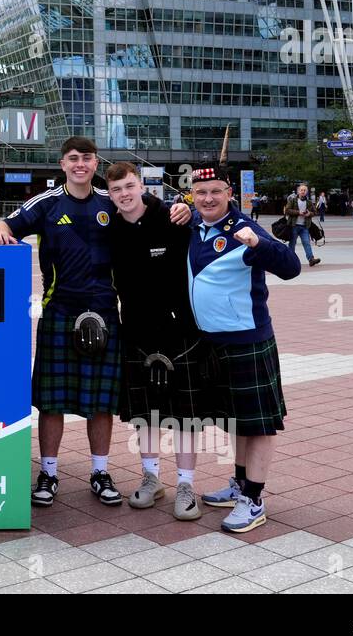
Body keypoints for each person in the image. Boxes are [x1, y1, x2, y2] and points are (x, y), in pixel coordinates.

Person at [0, 137, 189, 508]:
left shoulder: (108, 202)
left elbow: (149, 210)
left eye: (86, 158)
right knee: (52, 402)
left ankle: (100, 471)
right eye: (72, 158)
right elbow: (7, 223)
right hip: (59, 312)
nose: (80, 164)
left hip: (105, 313)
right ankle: (48, 473)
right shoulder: (46, 204)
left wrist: (183, 211)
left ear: (95, 163)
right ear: (63, 164)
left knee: (101, 401)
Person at [187, 166, 301, 533]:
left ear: (229, 192)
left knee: (260, 422)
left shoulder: (243, 229)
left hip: (247, 339)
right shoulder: (193, 224)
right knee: (236, 419)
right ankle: (239, 484)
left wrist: (258, 243)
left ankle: (254, 499)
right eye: (200, 192)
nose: (207, 199)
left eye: (215, 192)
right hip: (210, 340)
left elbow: (291, 268)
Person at [105, 162, 205, 520]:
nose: (124, 194)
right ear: (111, 194)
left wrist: (189, 209)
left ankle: (186, 484)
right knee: (145, 415)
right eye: (116, 190)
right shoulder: (112, 227)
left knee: (184, 414)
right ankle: (151, 478)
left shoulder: (172, 217)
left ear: (141, 185)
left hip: (180, 330)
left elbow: (210, 221)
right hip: (135, 329)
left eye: (129, 186)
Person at [284, 182, 321, 267]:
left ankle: (311, 259)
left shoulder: (309, 202)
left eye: (304, 190)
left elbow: (315, 212)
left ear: (306, 192)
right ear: (298, 191)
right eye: (301, 190)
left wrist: (309, 214)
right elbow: (287, 210)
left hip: (304, 226)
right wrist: (298, 212)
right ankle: (290, 260)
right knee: (292, 243)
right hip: (294, 225)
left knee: (306, 242)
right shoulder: (293, 200)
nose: (303, 191)